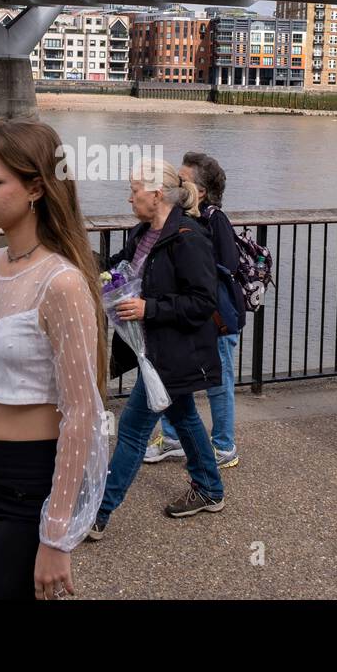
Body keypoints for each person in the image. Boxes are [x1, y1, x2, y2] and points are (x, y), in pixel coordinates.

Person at [0, 117, 108, 600]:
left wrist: (56, 533)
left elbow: (81, 413)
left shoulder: (61, 283)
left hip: (32, 482)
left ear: (36, 188)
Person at [88, 158, 227, 539]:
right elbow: (120, 268)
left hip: (173, 352)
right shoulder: (143, 232)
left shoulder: (189, 236)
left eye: (134, 190)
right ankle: (210, 488)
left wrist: (150, 308)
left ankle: (98, 513)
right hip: (152, 350)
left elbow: (203, 301)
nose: (129, 197)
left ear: (157, 194)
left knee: (132, 431)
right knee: (183, 416)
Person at [145, 152, 243, 468]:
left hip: (215, 318)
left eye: (182, 179)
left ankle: (224, 447)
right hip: (188, 314)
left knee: (219, 383)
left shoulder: (215, 219)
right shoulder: (177, 217)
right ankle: (173, 440)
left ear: (199, 191)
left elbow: (227, 266)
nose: (175, 183)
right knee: (176, 377)